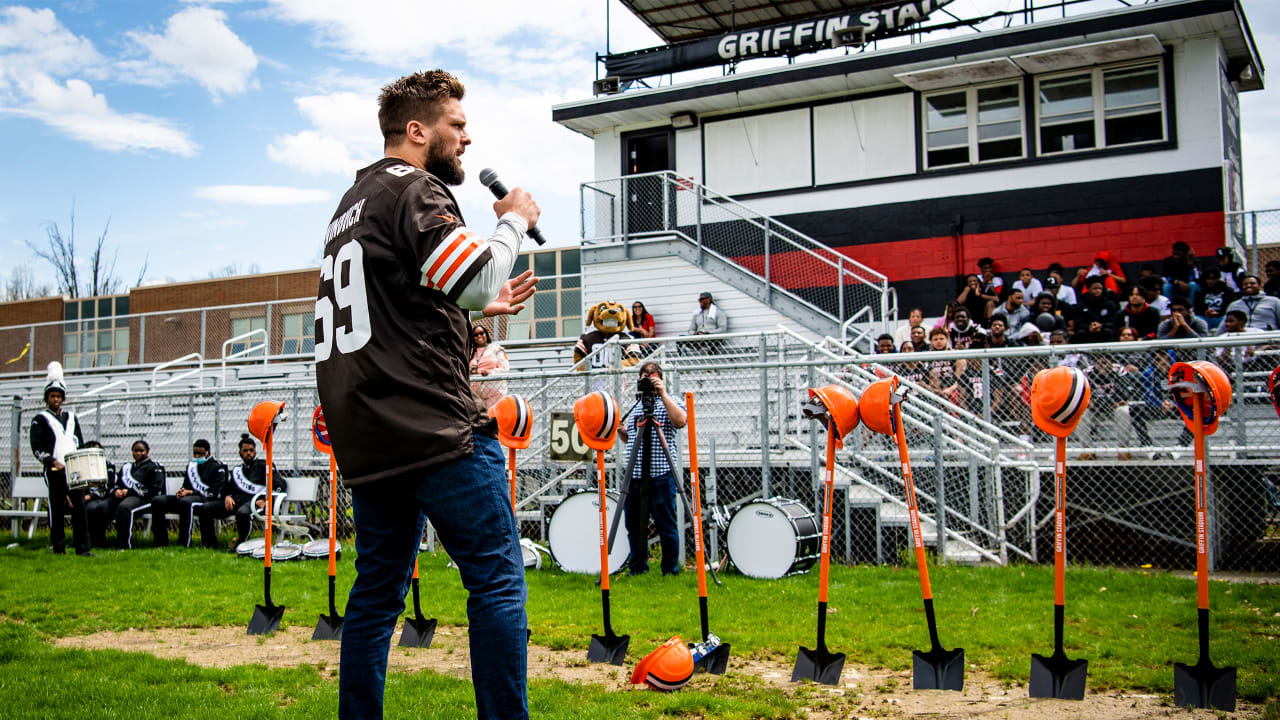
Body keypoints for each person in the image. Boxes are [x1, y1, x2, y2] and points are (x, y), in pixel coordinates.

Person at [313, 70, 540, 720]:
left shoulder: (350, 206)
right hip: (433, 429)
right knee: (496, 580)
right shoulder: (414, 188)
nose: (466, 138)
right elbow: (476, 275)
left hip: (372, 436)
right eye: (456, 125)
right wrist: (513, 222)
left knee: (375, 595)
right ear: (417, 130)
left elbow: (398, 306)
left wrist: (469, 311)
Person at [617, 362, 687, 576]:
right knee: (634, 525)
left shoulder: (671, 401)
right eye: (644, 378)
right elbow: (632, 439)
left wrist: (662, 393)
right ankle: (637, 567)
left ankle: (670, 570)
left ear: (661, 379)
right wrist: (622, 432)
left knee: (666, 524)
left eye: (652, 377)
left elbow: (680, 421)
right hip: (635, 474)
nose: (647, 381)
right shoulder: (637, 406)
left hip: (661, 474)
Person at [29, 364, 91, 556]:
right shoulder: (40, 419)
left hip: (73, 470)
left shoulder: (72, 417)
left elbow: (79, 441)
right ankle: (59, 548)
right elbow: (37, 447)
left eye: (59, 396)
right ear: (46, 398)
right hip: (55, 471)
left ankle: (83, 548)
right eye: (52, 396)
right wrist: (52, 462)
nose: (56, 399)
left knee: (79, 508)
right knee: (56, 509)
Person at [195, 433, 286, 549]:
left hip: (254, 502)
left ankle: (242, 545)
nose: (248, 453)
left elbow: (280, 485)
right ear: (240, 453)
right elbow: (227, 488)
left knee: (243, 513)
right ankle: (209, 544)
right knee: (205, 508)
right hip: (235, 502)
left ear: (255, 451)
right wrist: (227, 496)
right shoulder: (237, 470)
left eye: (251, 450)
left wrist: (265, 500)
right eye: (245, 450)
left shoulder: (264, 466)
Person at [85, 439, 165, 550]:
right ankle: (99, 542)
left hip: (143, 499)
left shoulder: (155, 467)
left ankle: (123, 545)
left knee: (124, 507)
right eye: (135, 451)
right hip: (124, 496)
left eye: (141, 451)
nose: (138, 453)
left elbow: (154, 489)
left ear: (147, 451)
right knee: (102, 507)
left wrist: (129, 492)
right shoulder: (127, 467)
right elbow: (117, 484)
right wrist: (117, 491)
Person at [150, 439, 226, 547]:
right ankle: (160, 543)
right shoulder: (191, 466)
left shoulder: (217, 467)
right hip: (189, 497)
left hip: (206, 499)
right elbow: (186, 485)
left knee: (186, 502)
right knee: (158, 501)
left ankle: (184, 542)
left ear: (208, 452)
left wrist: (190, 492)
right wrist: (181, 491)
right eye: (195, 453)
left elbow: (214, 492)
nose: (197, 456)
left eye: (200, 453)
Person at [469, 323, 509, 411]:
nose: (479, 336)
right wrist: (470, 371)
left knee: (494, 417)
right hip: (475, 395)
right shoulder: (470, 352)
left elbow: (505, 369)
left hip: (494, 392)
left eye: (481, 333)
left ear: (486, 334)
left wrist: (489, 372)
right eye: (476, 335)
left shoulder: (496, 348)